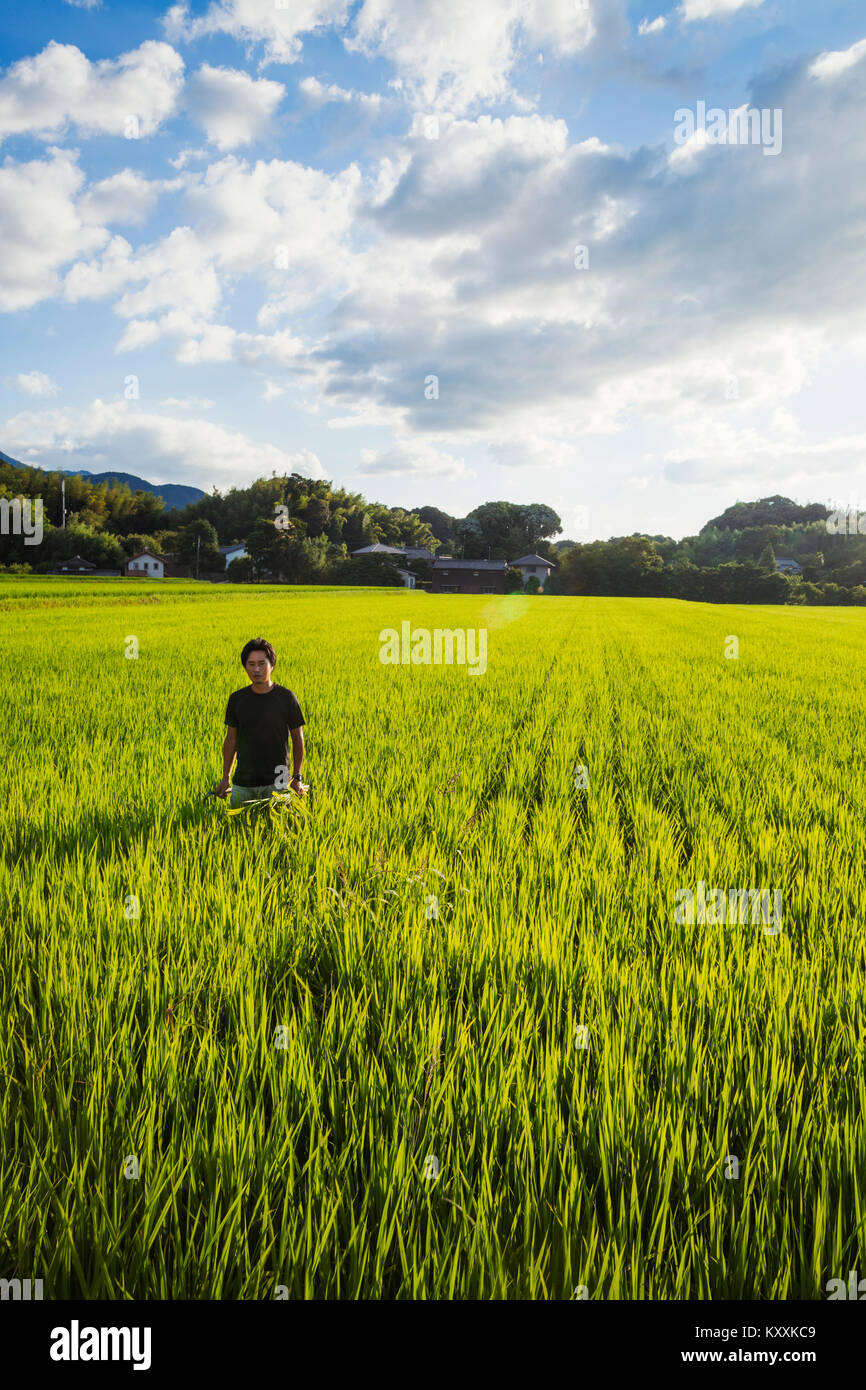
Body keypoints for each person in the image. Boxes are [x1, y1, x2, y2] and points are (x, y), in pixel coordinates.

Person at [215, 637, 307, 808]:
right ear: (245, 666)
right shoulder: (237, 699)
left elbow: (298, 739)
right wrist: (226, 777)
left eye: (261, 663)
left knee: (279, 830)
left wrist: (297, 777)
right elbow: (230, 740)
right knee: (239, 829)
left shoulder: (287, 698)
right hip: (243, 780)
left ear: (272, 666)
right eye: (251, 664)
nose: (256, 669)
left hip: (279, 779)